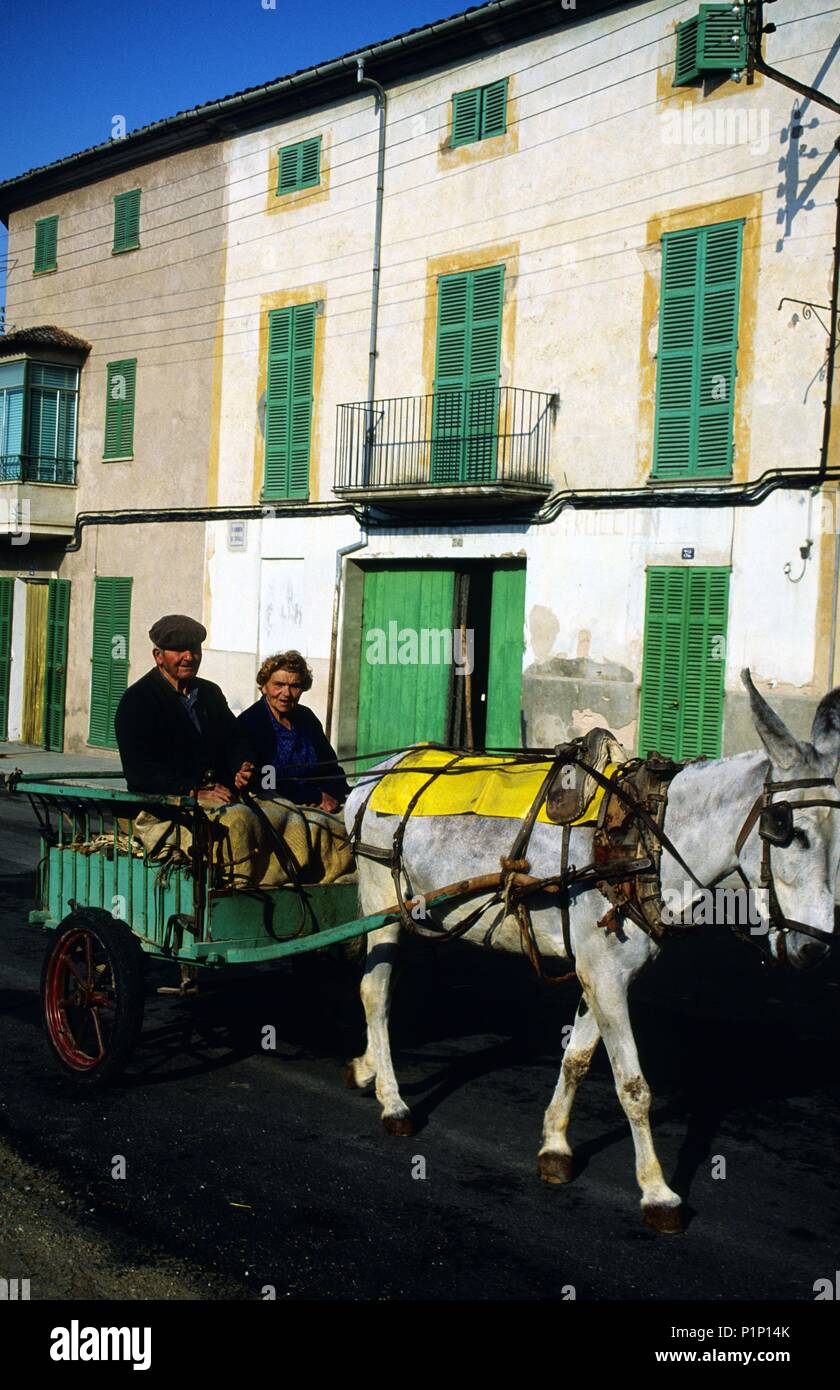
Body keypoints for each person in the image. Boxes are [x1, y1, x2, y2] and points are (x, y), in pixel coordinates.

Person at [114, 614, 255, 803]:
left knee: (290, 818)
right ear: (159, 657)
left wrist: (242, 766)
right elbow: (140, 772)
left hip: (221, 793)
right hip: (166, 804)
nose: (189, 657)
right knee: (240, 823)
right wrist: (191, 790)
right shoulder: (137, 700)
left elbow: (234, 739)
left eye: (194, 649)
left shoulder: (210, 692)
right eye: (179, 650)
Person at [238, 650, 349, 812]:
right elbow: (262, 781)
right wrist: (314, 796)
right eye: (279, 685)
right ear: (264, 687)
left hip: (320, 805)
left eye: (295, 686)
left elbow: (332, 769)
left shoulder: (306, 718)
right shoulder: (250, 722)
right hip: (273, 807)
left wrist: (331, 794)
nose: (287, 694)